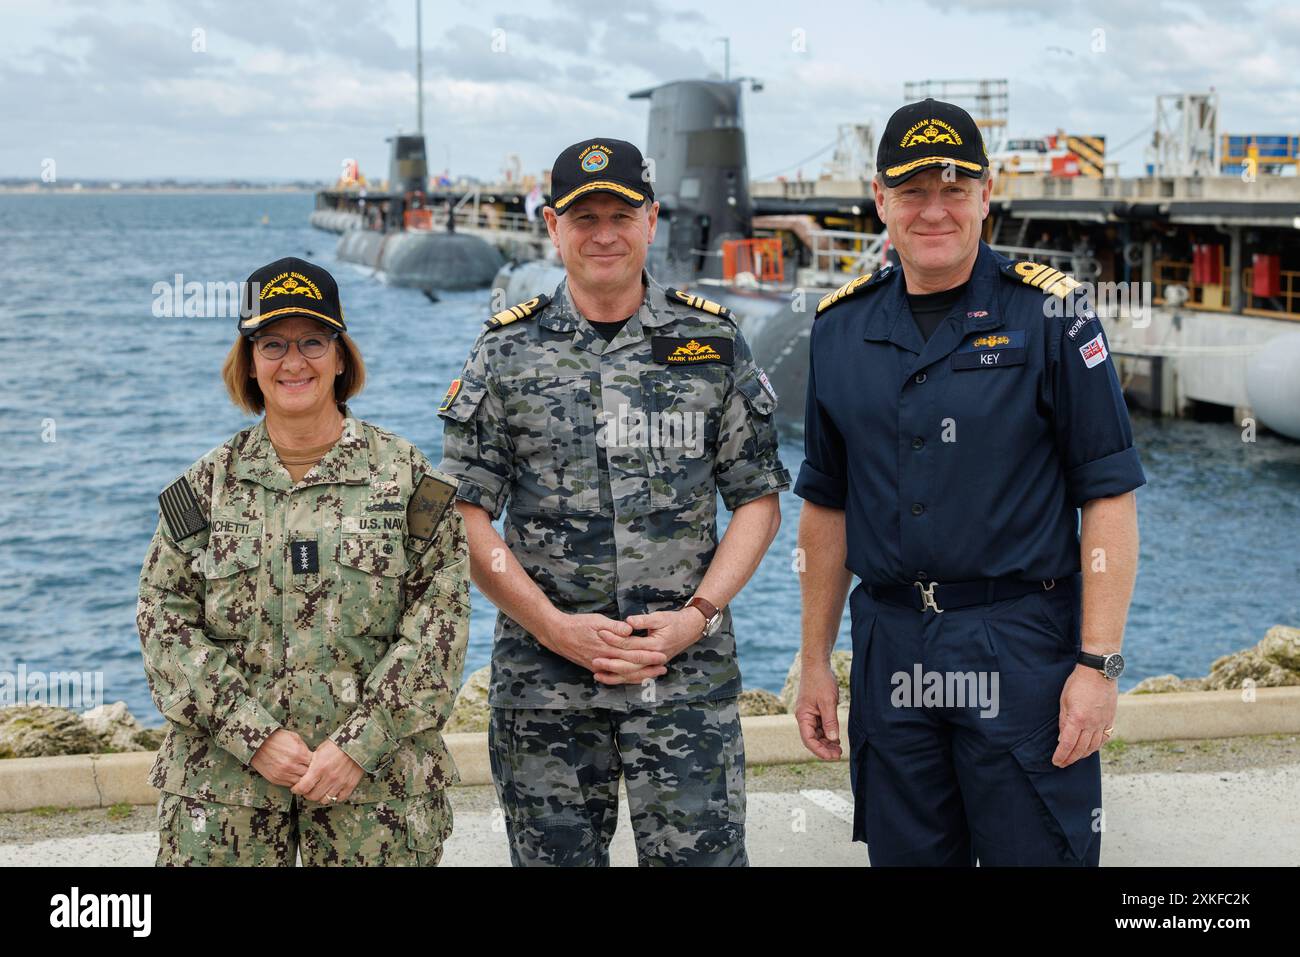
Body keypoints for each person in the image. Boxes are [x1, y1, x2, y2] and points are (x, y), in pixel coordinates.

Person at [793, 99, 1145, 866]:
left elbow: (1109, 497)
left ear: (988, 194)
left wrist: (1099, 665)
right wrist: (815, 659)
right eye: (913, 191)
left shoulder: (1053, 314)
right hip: (890, 644)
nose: (934, 209)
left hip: (1019, 642)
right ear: (880, 200)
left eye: (955, 189)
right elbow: (825, 503)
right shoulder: (839, 329)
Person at [438, 138, 789, 866]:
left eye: (620, 214)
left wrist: (698, 616)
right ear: (552, 227)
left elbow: (757, 499)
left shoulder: (712, 342)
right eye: (583, 216)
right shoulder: (505, 352)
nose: (603, 232)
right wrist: (554, 627)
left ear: (652, 221)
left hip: (684, 680)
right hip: (547, 689)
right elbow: (466, 513)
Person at [138, 256, 469, 866]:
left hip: (376, 794)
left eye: (313, 341)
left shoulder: (406, 479)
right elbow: (165, 624)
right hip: (225, 794)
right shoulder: (205, 489)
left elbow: (439, 626)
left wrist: (360, 744)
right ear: (250, 362)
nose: (294, 362)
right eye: (272, 344)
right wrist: (254, 736)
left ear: (341, 356)